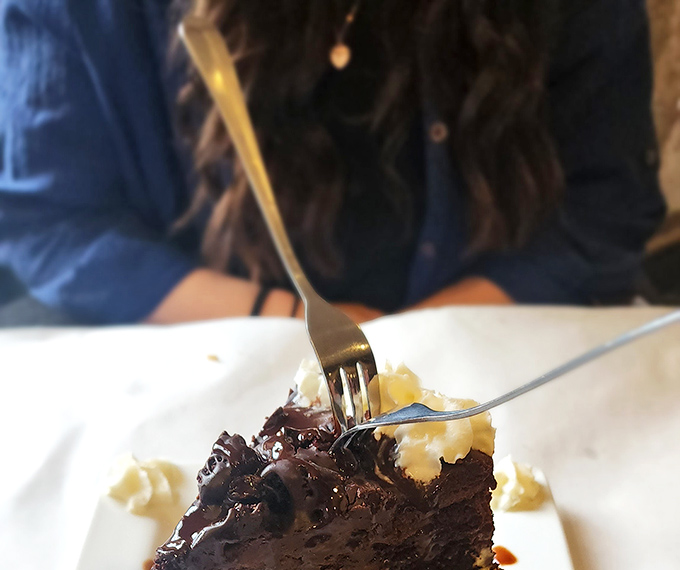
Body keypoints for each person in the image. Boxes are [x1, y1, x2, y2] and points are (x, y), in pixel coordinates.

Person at [0, 0, 666, 326]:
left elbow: (604, 207)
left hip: (500, 343)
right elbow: (53, 224)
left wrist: (410, 344)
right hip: (201, 355)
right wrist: (300, 322)